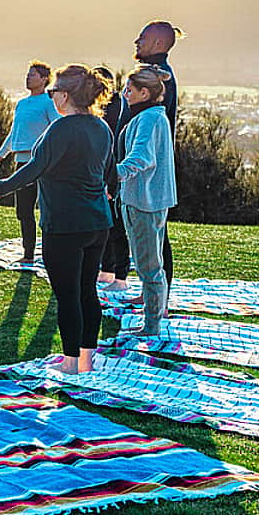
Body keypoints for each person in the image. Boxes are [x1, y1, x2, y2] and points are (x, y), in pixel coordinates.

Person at [0, 65, 117, 375]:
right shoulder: (101, 128)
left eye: (52, 91)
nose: (50, 96)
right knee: (87, 291)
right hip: (98, 222)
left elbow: (33, 170)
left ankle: (70, 364)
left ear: (65, 95)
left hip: (65, 225)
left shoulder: (60, 129)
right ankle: (87, 360)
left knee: (68, 295)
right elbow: (110, 172)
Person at [123, 20, 185, 288]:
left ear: (158, 43)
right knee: (146, 234)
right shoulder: (151, 74)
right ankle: (152, 291)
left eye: (143, 37)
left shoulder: (160, 78)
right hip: (140, 168)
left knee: (157, 234)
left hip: (150, 169)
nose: (137, 41)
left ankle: (161, 295)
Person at [116, 65, 177, 335]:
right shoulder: (153, 116)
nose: (125, 94)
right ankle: (152, 318)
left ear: (145, 92)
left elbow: (141, 158)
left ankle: (151, 325)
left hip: (144, 200)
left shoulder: (149, 118)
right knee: (150, 262)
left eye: (130, 89)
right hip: (150, 199)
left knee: (148, 264)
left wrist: (110, 176)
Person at [0, 61, 60, 261]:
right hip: (22, 162)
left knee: (48, 209)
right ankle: (28, 253)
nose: (28, 77)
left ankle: (53, 253)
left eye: (33, 75)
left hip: (43, 163)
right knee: (23, 210)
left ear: (44, 80)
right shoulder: (22, 104)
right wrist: (0, 155)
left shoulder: (49, 103)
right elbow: (15, 133)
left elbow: (58, 128)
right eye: (28, 74)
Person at [94, 66, 130, 290]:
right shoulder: (95, 108)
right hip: (100, 169)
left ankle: (119, 274)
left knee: (115, 226)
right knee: (103, 223)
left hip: (113, 170)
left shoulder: (116, 106)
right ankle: (106, 269)